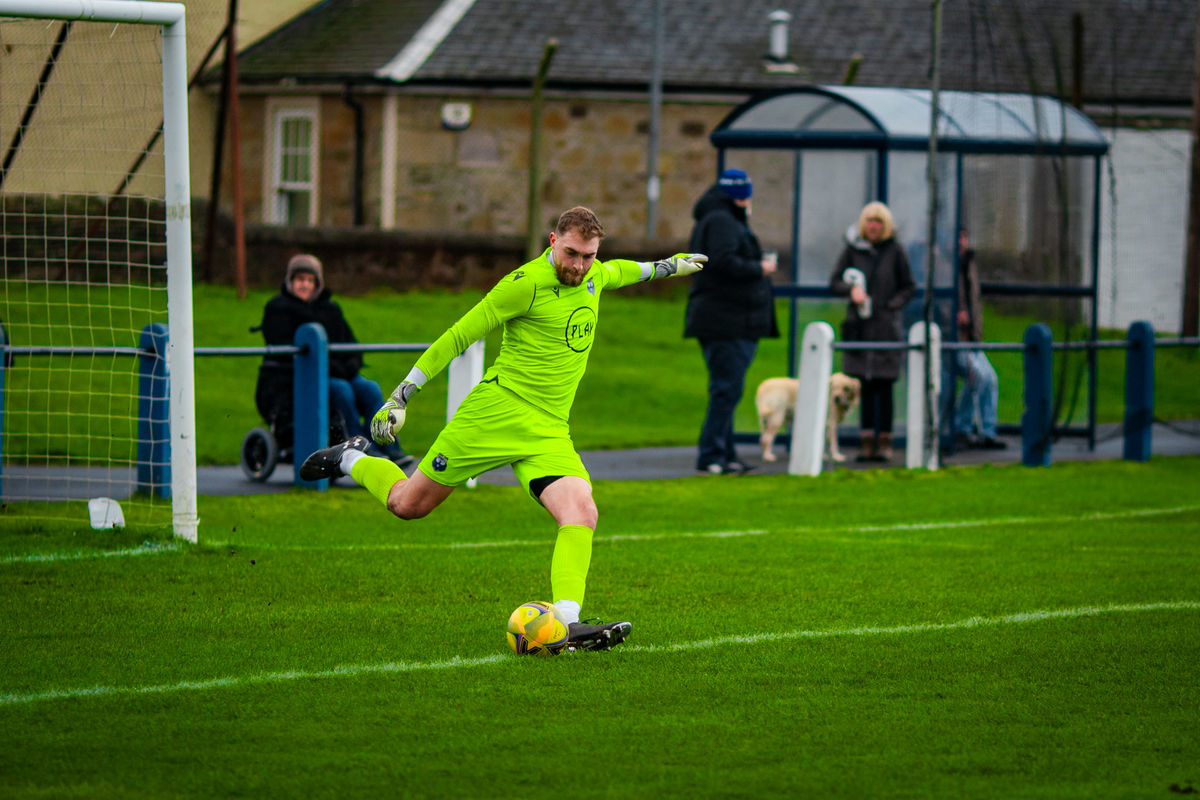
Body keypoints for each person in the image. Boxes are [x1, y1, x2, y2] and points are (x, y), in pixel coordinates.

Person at [298, 207, 707, 652]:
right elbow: (458, 336)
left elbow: (625, 271)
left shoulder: (595, 276)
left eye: (589, 256)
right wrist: (401, 395)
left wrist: (668, 266)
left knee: (582, 511)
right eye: (571, 253)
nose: (579, 265)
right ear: (552, 241)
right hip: (493, 416)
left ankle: (566, 626)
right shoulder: (524, 284)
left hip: (548, 429)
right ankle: (351, 457)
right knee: (408, 505)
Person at [260, 253, 414, 467]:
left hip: (338, 372)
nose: (304, 284)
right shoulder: (278, 308)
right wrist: (332, 368)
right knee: (342, 390)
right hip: (300, 377)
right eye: (299, 279)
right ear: (290, 281)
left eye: (309, 280)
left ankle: (390, 446)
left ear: (317, 283)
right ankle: (362, 448)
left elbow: (350, 343)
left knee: (370, 388)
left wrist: (352, 363)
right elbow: (284, 348)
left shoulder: (330, 309)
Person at [684, 168, 779, 475]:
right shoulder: (722, 220)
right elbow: (722, 262)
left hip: (729, 319)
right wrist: (759, 267)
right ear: (739, 195)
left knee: (728, 389)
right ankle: (711, 455)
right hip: (726, 320)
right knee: (726, 389)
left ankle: (726, 454)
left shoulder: (718, 218)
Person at [829, 201, 916, 463]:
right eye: (869, 221)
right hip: (859, 328)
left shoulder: (895, 252)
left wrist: (892, 306)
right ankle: (866, 443)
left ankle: (885, 442)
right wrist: (850, 291)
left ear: (885, 225)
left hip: (885, 328)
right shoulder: (852, 252)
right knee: (863, 386)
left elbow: (908, 287)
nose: (873, 226)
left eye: (878, 222)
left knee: (884, 386)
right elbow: (835, 282)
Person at [950, 229, 1006, 450]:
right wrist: (953, 313)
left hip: (972, 339)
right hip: (954, 339)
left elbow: (974, 301)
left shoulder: (969, 264)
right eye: (957, 237)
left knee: (989, 379)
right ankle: (961, 428)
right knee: (977, 377)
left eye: (964, 237)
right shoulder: (943, 264)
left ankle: (988, 432)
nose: (961, 242)